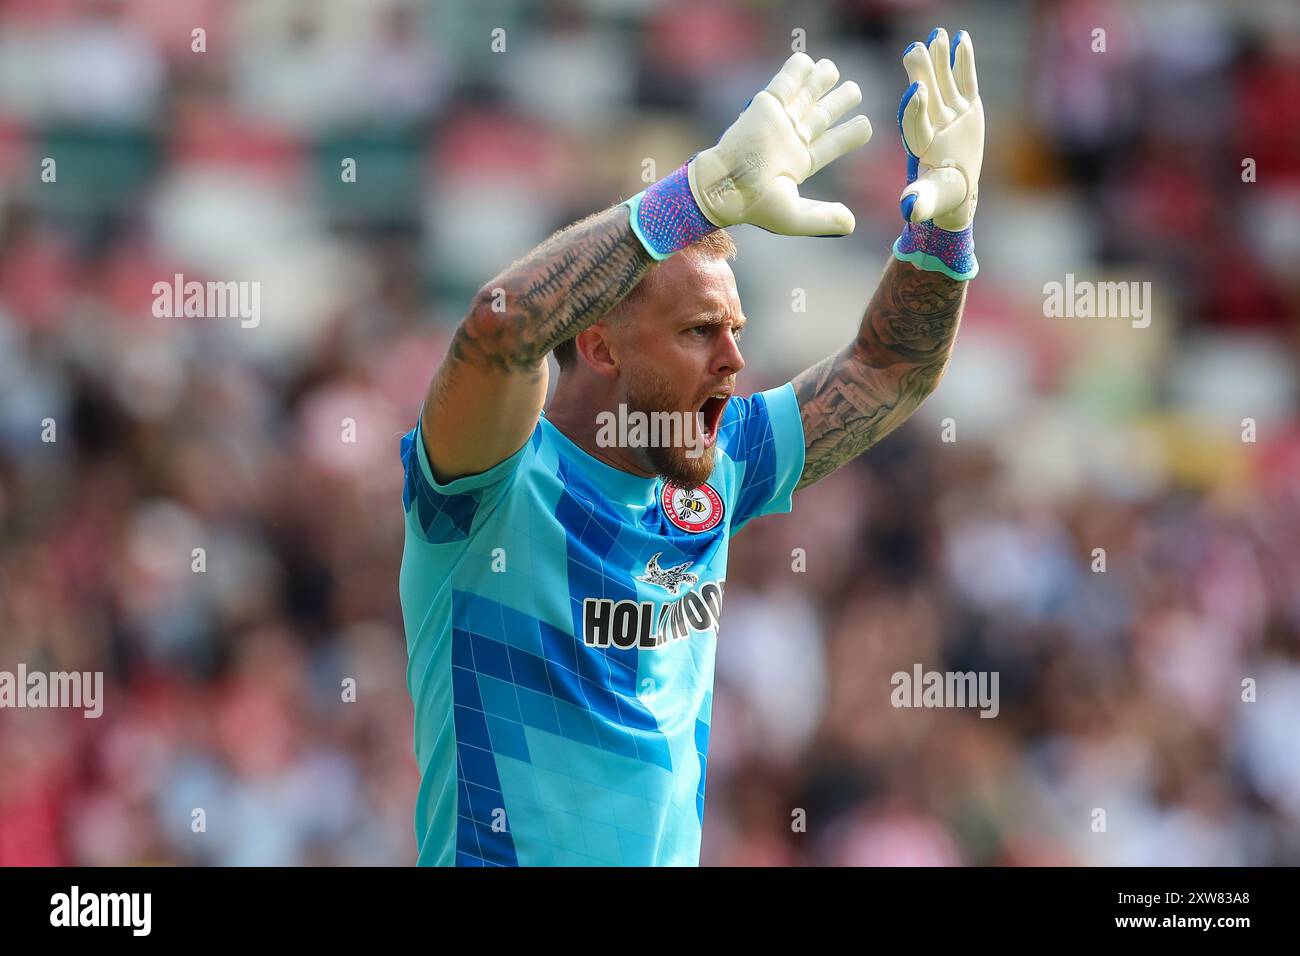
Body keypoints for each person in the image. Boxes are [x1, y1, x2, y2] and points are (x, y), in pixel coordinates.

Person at [398, 28, 984, 866]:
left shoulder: (715, 467)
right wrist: (697, 195)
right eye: (700, 331)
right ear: (600, 347)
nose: (734, 358)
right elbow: (499, 329)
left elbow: (889, 369)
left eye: (736, 329)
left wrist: (949, 226)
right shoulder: (489, 487)